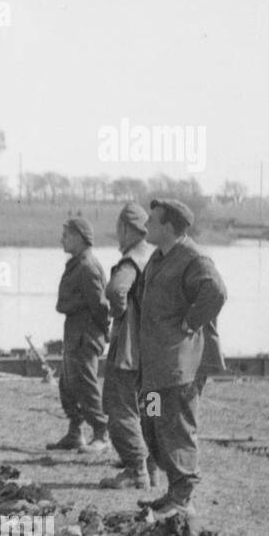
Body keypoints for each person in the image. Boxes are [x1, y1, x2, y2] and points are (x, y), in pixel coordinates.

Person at [132, 198, 228, 516]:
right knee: (154, 421)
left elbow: (215, 291)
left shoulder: (192, 258)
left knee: (176, 425)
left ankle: (183, 495)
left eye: (152, 221)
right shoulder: (160, 257)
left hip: (180, 365)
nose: (146, 226)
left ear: (169, 226)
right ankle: (173, 490)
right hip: (157, 363)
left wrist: (191, 321)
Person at [98, 202, 156, 489]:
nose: (117, 235)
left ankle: (136, 470)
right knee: (151, 407)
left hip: (129, 348)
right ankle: (153, 467)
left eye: (119, 229)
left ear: (128, 229)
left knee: (119, 405)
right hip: (154, 349)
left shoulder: (131, 260)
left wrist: (119, 313)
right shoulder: (157, 257)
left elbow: (117, 289)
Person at [48, 217, 110, 453]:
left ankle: (101, 435)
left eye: (66, 235)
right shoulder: (76, 264)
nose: (62, 240)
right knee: (68, 384)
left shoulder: (87, 267)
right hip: (75, 334)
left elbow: (101, 307)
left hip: (86, 336)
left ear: (79, 238)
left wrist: (103, 334)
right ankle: (75, 433)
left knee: (86, 386)